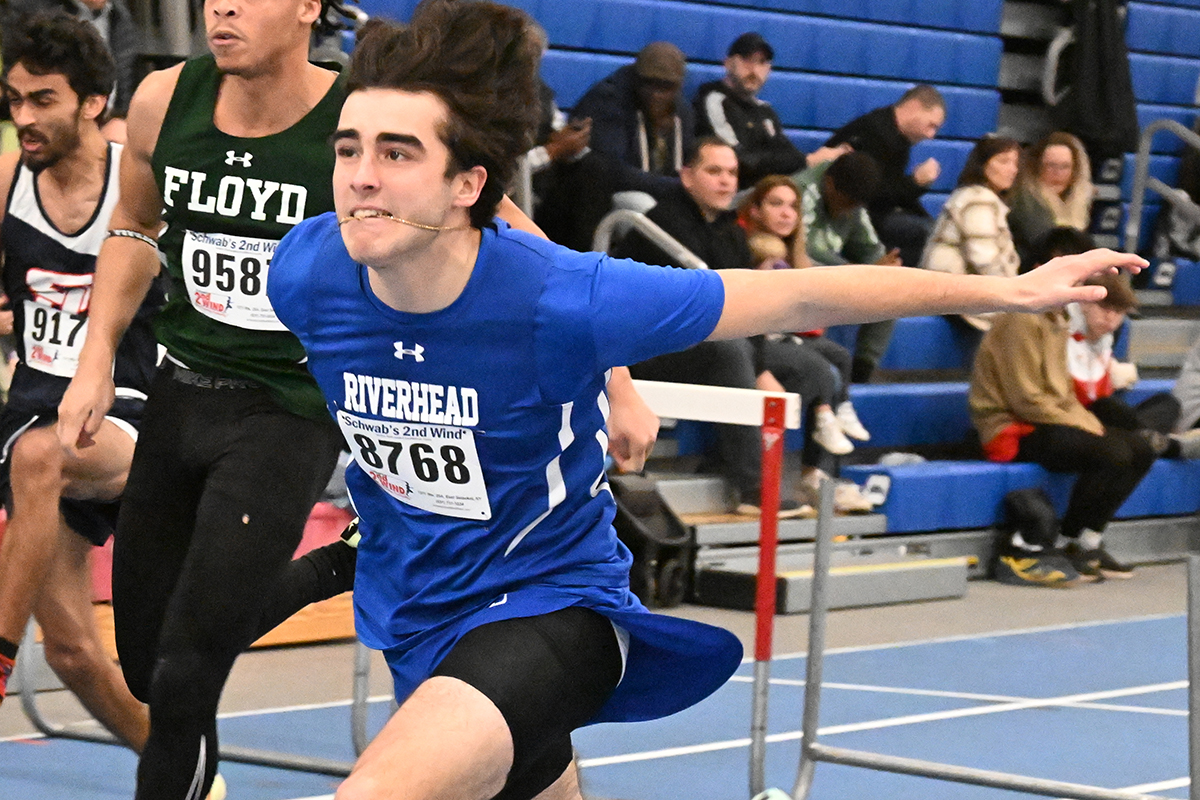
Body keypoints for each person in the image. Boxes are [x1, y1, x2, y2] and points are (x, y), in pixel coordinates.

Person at [266, 3, 1143, 798]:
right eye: (348, 149)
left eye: (396, 152)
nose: (361, 176)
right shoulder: (306, 272)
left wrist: (1013, 293)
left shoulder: (567, 299)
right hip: (415, 612)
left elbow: (803, 300)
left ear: (468, 184)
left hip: (548, 604)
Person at [0, 11, 156, 747]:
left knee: (42, 456)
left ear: (93, 101)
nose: (23, 117)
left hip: (129, 413)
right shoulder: (6, 183)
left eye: (42, 100)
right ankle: (185, 775)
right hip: (34, 416)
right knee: (71, 654)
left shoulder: (140, 179)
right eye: (14, 99)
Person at [613, 139, 808, 516]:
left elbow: (745, 308)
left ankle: (790, 472)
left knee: (812, 367)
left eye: (732, 173)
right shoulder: (661, 225)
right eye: (714, 171)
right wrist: (757, 365)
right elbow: (690, 314)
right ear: (687, 176)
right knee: (729, 351)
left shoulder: (731, 233)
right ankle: (754, 487)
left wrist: (763, 365)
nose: (726, 182)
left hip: (701, 341)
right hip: (643, 350)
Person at [969, 230, 1153, 586]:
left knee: (1140, 448)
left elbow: (1060, 392)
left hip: (1044, 420)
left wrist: (1082, 419)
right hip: (1011, 429)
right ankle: (1067, 541)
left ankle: (1088, 540)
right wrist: (1084, 423)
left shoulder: (1055, 318)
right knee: (1112, 452)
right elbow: (1025, 399)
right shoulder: (1020, 318)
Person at [738, 175, 874, 511]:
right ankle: (824, 423)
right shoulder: (746, 247)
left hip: (781, 335)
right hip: (749, 340)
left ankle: (829, 431)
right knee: (817, 368)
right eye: (776, 204)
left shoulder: (796, 254)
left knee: (838, 356)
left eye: (793, 207)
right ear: (754, 210)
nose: (786, 214)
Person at [795, 151, 902, 382]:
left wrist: (882, 266)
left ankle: (863, 370)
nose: (849, 210)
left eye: (856, 205)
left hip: (835, 273)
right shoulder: (803, 190)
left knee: (890, 283)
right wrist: (859, 271)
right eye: (848, 203)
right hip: (794, 270)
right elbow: (805, 249)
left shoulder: (852, 202)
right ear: (830, 184)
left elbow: (872, 249)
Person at [693, 32, 846, 189]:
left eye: (762, 62)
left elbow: (788, 153)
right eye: (746, 60)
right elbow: (737, 160)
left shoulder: (765, 111)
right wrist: (807, 161)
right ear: (727, 63)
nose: (754, 70)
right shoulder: (714, 100)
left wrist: (821, 158)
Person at [824, 84, 946, 269]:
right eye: (931, 125)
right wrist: (914, 183)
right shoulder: (875, 132)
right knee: (923, 231)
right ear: (914, 106)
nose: (931, 135)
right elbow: (872, 194)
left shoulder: (894, 135)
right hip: (847, 211)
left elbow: (891, 190)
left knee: (936, 229)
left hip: (869, 211)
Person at [920, 135, 1021, 338]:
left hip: (963, 291)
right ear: (982, 165)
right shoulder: (978, 200)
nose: (1013, 170)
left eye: (1015, 163)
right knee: (1027, 322)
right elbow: (985, 260)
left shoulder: (982, 198)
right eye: (1003, 161)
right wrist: (1016, 295)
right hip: (953, 294)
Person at [2, 0, 140, 142]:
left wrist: (119, 118)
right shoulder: (33, 10)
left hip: (104, 121)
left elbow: (124, 84)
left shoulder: (119, 15)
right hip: (57, 121)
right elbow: (17, 83)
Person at [1007, 132, 1094, 270]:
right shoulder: (1025, 202)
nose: (1057, 173)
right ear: (1037, 166)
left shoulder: (1081, 203)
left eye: (1064, 167)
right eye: (1050, 165)